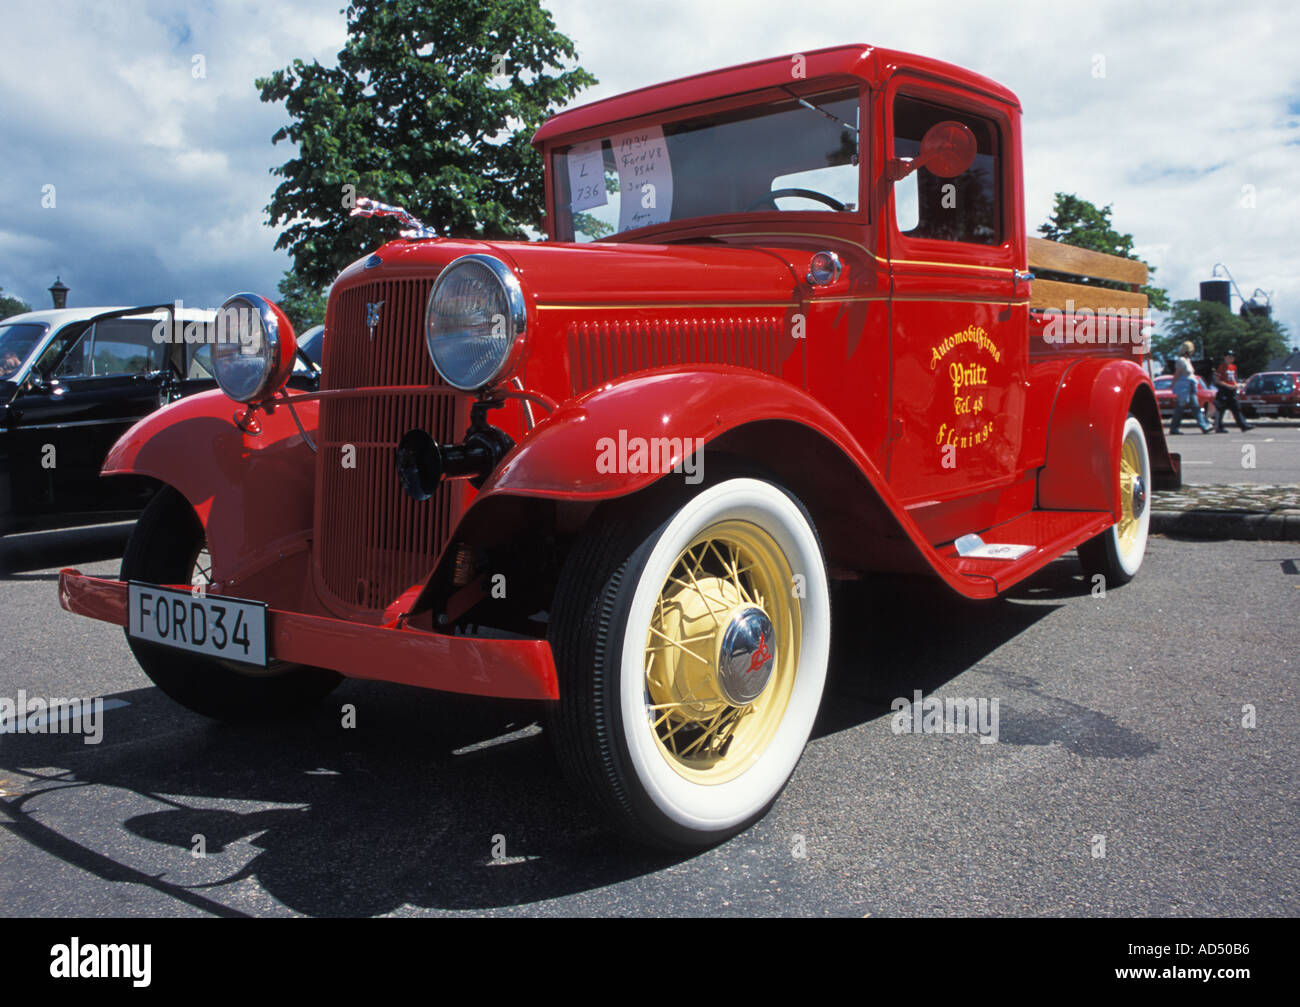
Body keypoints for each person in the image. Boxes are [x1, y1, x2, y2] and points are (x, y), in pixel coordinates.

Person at [1170, 341, 1212, 434]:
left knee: (1196, 407)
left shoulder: (1188, 360)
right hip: (1183, 387)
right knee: (1180, 407)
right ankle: (1174, 428)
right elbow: (1177, 373)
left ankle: (1204, 426)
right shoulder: (1180, 360)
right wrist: (1173, 384)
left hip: (1191, 387)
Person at [1213, 349, 1253, 432]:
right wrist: (1229, 386)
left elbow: (1234, 378)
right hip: (1224, 390)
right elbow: (1218, 381)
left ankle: (1243, 425)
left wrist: (1237, 385)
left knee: (1236, 408)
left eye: (1232, 357)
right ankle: (1219, 427)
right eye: (1228, 357)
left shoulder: (1233, 367)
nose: (1230, 359)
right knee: (1221, 409)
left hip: (1231, 391)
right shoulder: (1221, 367)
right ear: (1225, 358)